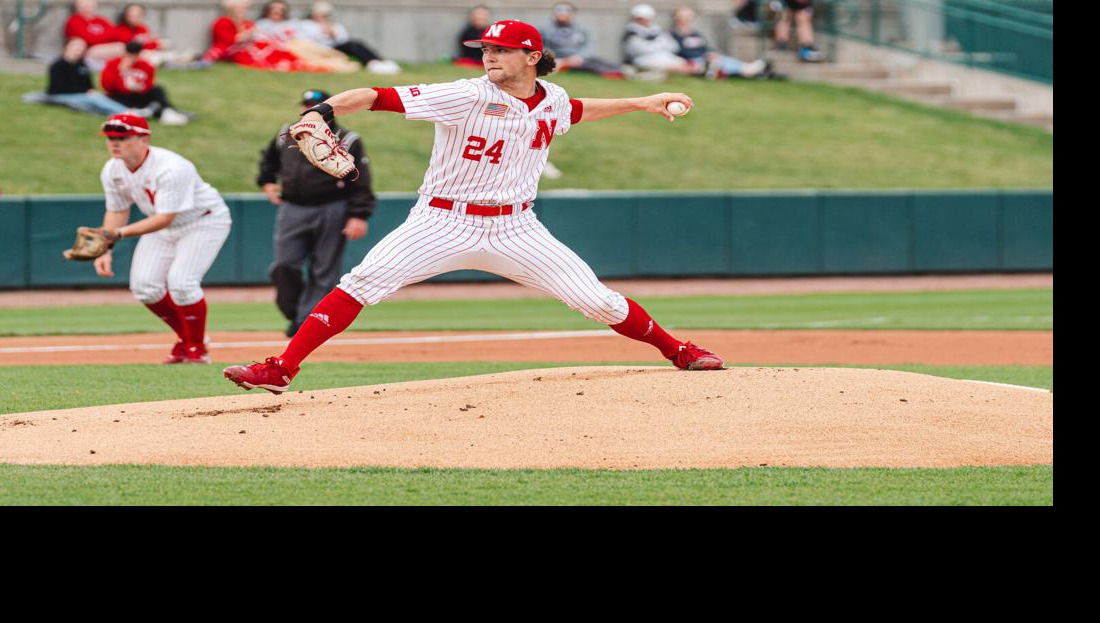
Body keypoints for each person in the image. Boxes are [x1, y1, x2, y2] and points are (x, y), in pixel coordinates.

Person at [223, 18, 723, 394]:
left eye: (501, 50)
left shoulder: (552, 99)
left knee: (598, 301)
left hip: (516, 228)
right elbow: (376, 95)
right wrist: (323, 111)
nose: (489, 56)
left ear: (532, 57)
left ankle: (679, 351)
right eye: (485, 48)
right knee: (361, 282)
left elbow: (574, 110)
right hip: (442, 220)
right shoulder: (463, 94)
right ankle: (281, 369)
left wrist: (640, 102)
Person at [85, 113, 232, 364]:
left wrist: (117, 234)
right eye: (110, 138)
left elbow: (165, 218)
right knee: (144, 287)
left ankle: (197, 349)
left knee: (182, 283)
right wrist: (105, 248)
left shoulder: (171, 167)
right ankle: (185, 338)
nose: (114, 143)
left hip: (203, 221)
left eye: (122, 137)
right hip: (161, 224)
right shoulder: (112, 169)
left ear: (144, 139)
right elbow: (118, 210)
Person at [259, 88, 377, 337]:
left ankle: (305, 322)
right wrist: (267, 181)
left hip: (333, 206)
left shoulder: (348, 139)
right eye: (306, 105)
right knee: (284, 265)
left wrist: (359, 214)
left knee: (324, 269)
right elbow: (268, 161)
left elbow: (361, 181)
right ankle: (295, 311)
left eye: (315, 105)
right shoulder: (286, 135)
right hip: (292, 205)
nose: (307, 110)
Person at [24, 36, 132, 115]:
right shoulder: (58, 65)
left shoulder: (82, 65)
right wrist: (84, 93)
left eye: (81, 48)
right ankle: (126, 112)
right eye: (76, 47)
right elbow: (57, 87)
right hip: (62, 95)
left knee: (98, 98)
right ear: (67, 47)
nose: (78, 51)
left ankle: (118, 113)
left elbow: (88, 83)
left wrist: (89, 90)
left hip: (81, 95)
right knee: (93, 100)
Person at [102, 40, 193, 124]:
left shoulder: (146, 66)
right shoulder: (113, 64)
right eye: (130, 54)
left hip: (139, 95)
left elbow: (148, 84)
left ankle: (167, 110)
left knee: (158, 90)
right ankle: (154, 111)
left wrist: (140, 88)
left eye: (135, 55)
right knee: (112, 99)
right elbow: (107, 86)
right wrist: (121, 71)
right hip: (121, 96)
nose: (132, 58)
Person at [296, 2, 400, 74]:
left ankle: (377, 61)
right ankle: (373, 64)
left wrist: (333, 34)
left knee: (355, 44)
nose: (324, 17)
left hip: (336, 47)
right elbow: (305, 41)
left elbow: (343, 39)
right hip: (320, 49)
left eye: (326, 15)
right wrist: (320, 31)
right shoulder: (306, 24)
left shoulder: (334, 25)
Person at [672, 7, 768, 78]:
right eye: (685, 16)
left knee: (722, 59)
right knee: (714, 63)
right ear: (677, 18)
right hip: (693, 60)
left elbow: (706, 47)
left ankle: (745, 68)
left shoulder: (696, 34)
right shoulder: (674, 35)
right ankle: (745, 70)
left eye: (690, 16)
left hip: (705, 57)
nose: (688, 19)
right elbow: (678, 51)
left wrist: (711, 53)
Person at [543, 3, 622, 76]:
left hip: (578, 59)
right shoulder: (544, 29)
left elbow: (589, 47)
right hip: (556, 59)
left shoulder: (583, 29)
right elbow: (543, 47)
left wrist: (577, 58)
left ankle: (622, 71)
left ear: (572, 14)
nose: (562, 15)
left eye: (566, 12)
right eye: (559, 11)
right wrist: (554, 58)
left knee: (603, 64)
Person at [622, 4, 696, 75]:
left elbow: (674, 46)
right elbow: (641, 50)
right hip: (643, 59)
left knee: (682, 62)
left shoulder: (656, 30)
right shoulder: (632, 33)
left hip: (663, 55)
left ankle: (697, 72)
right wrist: (660, 44)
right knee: (671, 66)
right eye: (641, 19)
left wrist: (659, 45)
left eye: (647, 18)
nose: (645, 21)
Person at [65, 0, 129, 62]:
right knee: (120, 48)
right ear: (76, 5)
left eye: (89, 1)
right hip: (87, 53)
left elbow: (117, 34)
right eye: (82, 2)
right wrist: (108, 36)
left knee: (124, 47)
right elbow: (90, 39)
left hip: (104, 50)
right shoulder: (74, 20)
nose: (86, 5)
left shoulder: (100, 20)